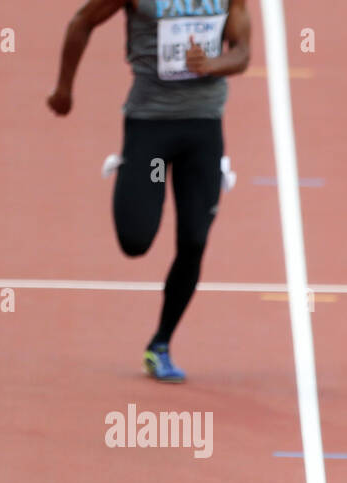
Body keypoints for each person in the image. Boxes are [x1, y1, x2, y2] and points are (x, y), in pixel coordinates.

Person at [48, 0, 250, 382]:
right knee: (135, 239)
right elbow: (81, 21)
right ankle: (132, 172)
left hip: (203, 128)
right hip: (150, 125)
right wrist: (64, 88)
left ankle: (160, 344)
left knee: (193, 240)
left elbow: (242, 54)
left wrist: (211, 65)